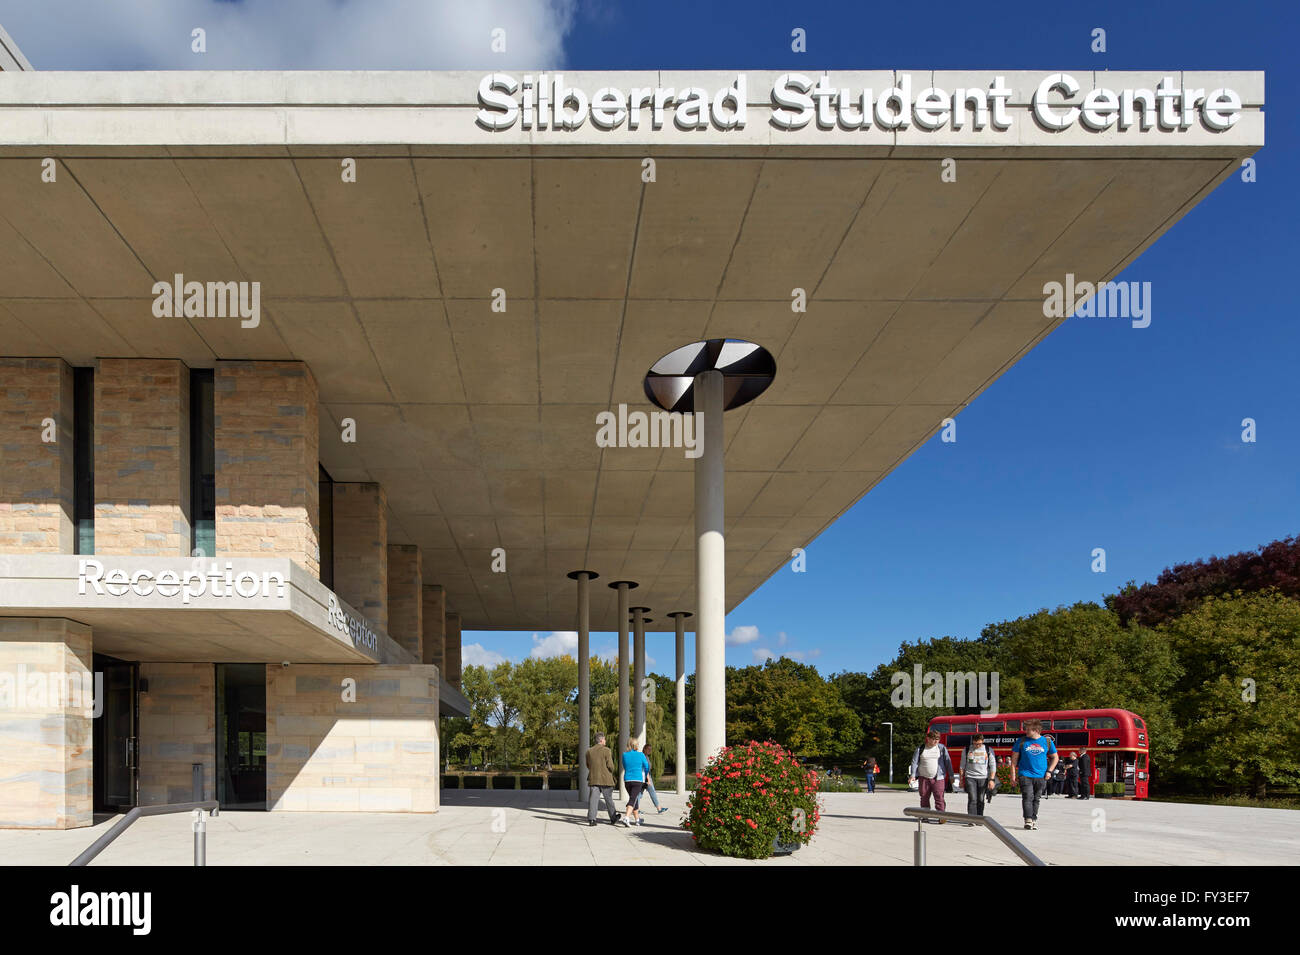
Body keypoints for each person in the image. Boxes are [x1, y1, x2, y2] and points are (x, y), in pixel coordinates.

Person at [1010, 719, 1058, 830]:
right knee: (1027, 797)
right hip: (1025, 774)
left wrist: (1049, 771)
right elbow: (1014, 761)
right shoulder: (1021, 741)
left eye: (1028, 729)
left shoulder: (1047, 742)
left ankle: (1034, 818)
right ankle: (1028, 819)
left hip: (1041, 775)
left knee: (1036, 798)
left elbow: (1055, 757)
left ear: (1036, 730)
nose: (1025, 731)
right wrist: (1013, 776)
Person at [908, 729, 954, 823]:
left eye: (938, 739)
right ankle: (925, 816)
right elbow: (914, 762)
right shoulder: (920, 749)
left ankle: (941, 816)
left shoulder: (941, 748)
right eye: (934, 739)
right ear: (928, 738)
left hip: (938, 777)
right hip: (923, 777)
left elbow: (947, 762)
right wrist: (913, 775)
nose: (936, 741)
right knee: (924, 796)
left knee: (939, 797)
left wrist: (951, 775)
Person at [585, 732, 620, 827]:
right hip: (606, 779)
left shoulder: (589, 751)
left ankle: (592, 820)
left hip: (593, 778)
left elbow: (588, 765)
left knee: (593, 800)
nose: (605, 741)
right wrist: (612, 770)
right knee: (608, 799)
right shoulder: (607, 750)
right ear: (601, 740)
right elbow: (610, 765)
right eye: (604, 739)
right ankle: (613, 818)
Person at [961, 733, 995, 823]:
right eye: (975, 744)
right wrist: (961, 779)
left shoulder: (988, 750)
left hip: (983, 778)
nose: (977, 746)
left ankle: (979, 818)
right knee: (972, 798)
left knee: (980, 799)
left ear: (983, 741)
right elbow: (962, 766)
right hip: (970, 777)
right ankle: (971, 819)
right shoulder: (967, 749)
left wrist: (991, 780)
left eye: (979, 744)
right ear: (973, 741)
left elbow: (993, 766)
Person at [620, 739, 651, 827]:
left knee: (634, 798)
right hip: (637, 780)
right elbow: (647, 766)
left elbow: (625, 766)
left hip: (627, 780)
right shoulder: (641, 755)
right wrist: (645, 775)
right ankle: (626, 817)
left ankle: (637, 819)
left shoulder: (624, 755)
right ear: (635, 745)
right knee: (633, 799)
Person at [633, 744, 668, 814]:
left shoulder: (646, 757)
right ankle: (659, 808)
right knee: (652, 792)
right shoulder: (643, 756)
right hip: (646, 777)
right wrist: (648, 779)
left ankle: (636, 809)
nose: (650, 751)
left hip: (644, 777)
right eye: (648, 749)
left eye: (651, 749)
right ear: (644, 749)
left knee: (639, 794)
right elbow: (644, 768)